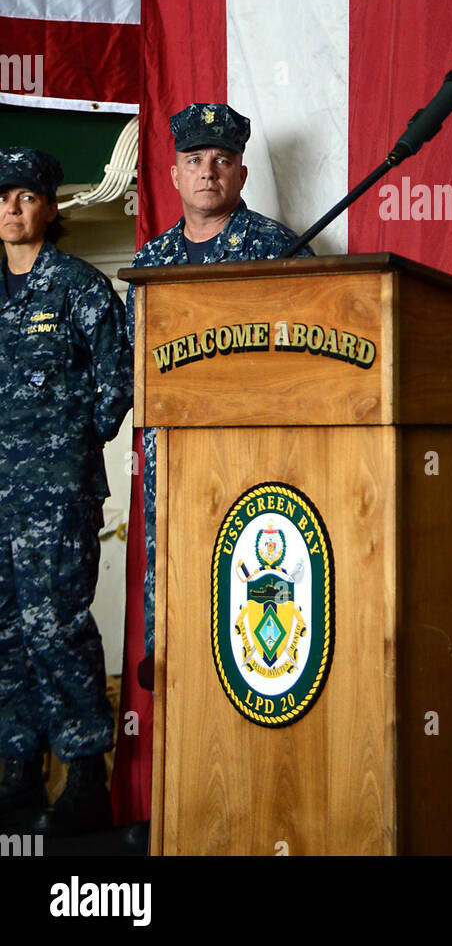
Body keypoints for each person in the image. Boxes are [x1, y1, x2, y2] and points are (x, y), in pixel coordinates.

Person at [126, 102, 313, 659]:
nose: (208, 170)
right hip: (172, 459)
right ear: (175, 174)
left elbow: (304, 363)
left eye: (222, 159)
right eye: (194, 159)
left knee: (252, 584)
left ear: (242, 173)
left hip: (252, 453)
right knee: (176, 583)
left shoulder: (278, 251)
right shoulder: (150, 262)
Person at [0, 147, 133, 834]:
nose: (12, 210)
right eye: (2, 199)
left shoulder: (78, 286)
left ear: (50, 208)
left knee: (57, 626)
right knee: (5, 633)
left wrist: (70, 442)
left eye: (25, 197)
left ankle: (86, 777)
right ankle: (17, 769)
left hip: (54, 493)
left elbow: (118, 381)